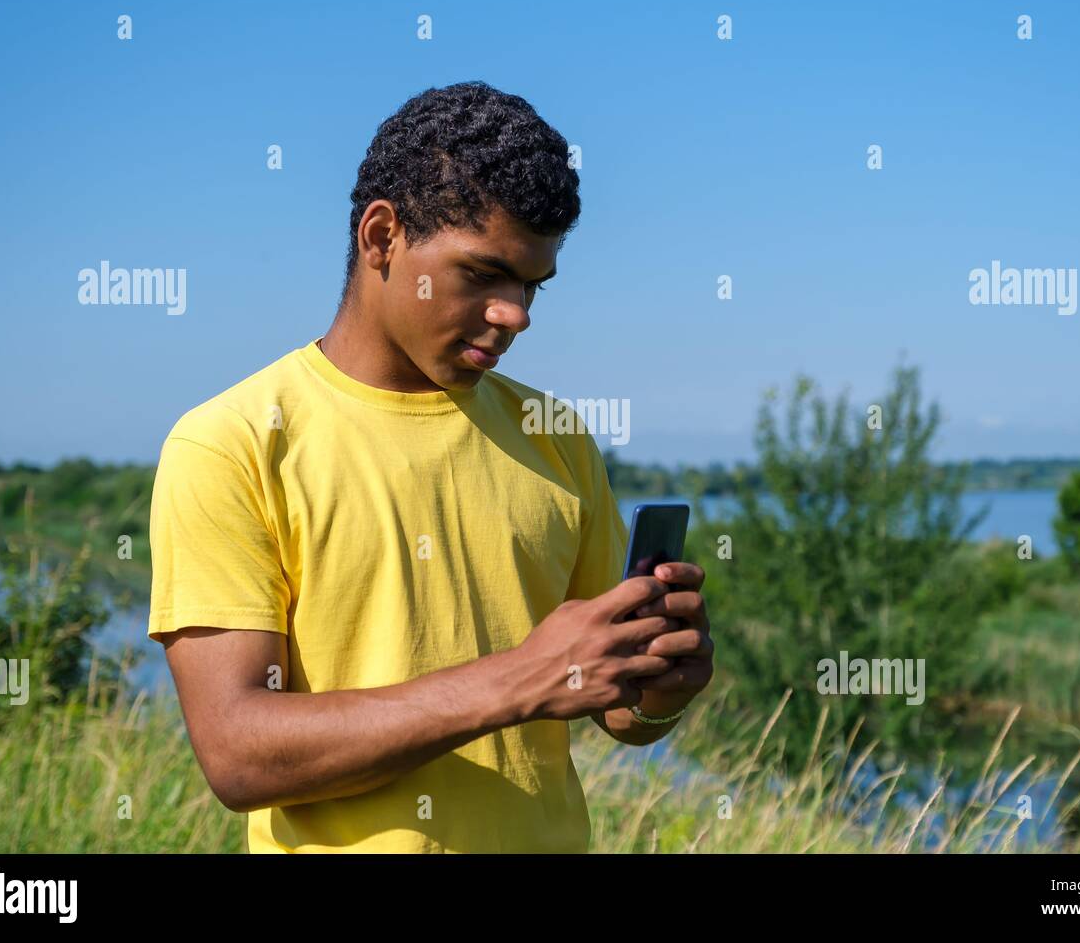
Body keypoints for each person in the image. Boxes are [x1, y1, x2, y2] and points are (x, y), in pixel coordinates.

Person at [147, 81, 714, 853]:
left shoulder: (555, 436)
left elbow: (610, 705)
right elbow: (240, 754)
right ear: (381, 238)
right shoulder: (234, 443)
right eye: (483, 275)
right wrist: (517, 680)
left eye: (530, 285)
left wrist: (659, 688)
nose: (516, 314)